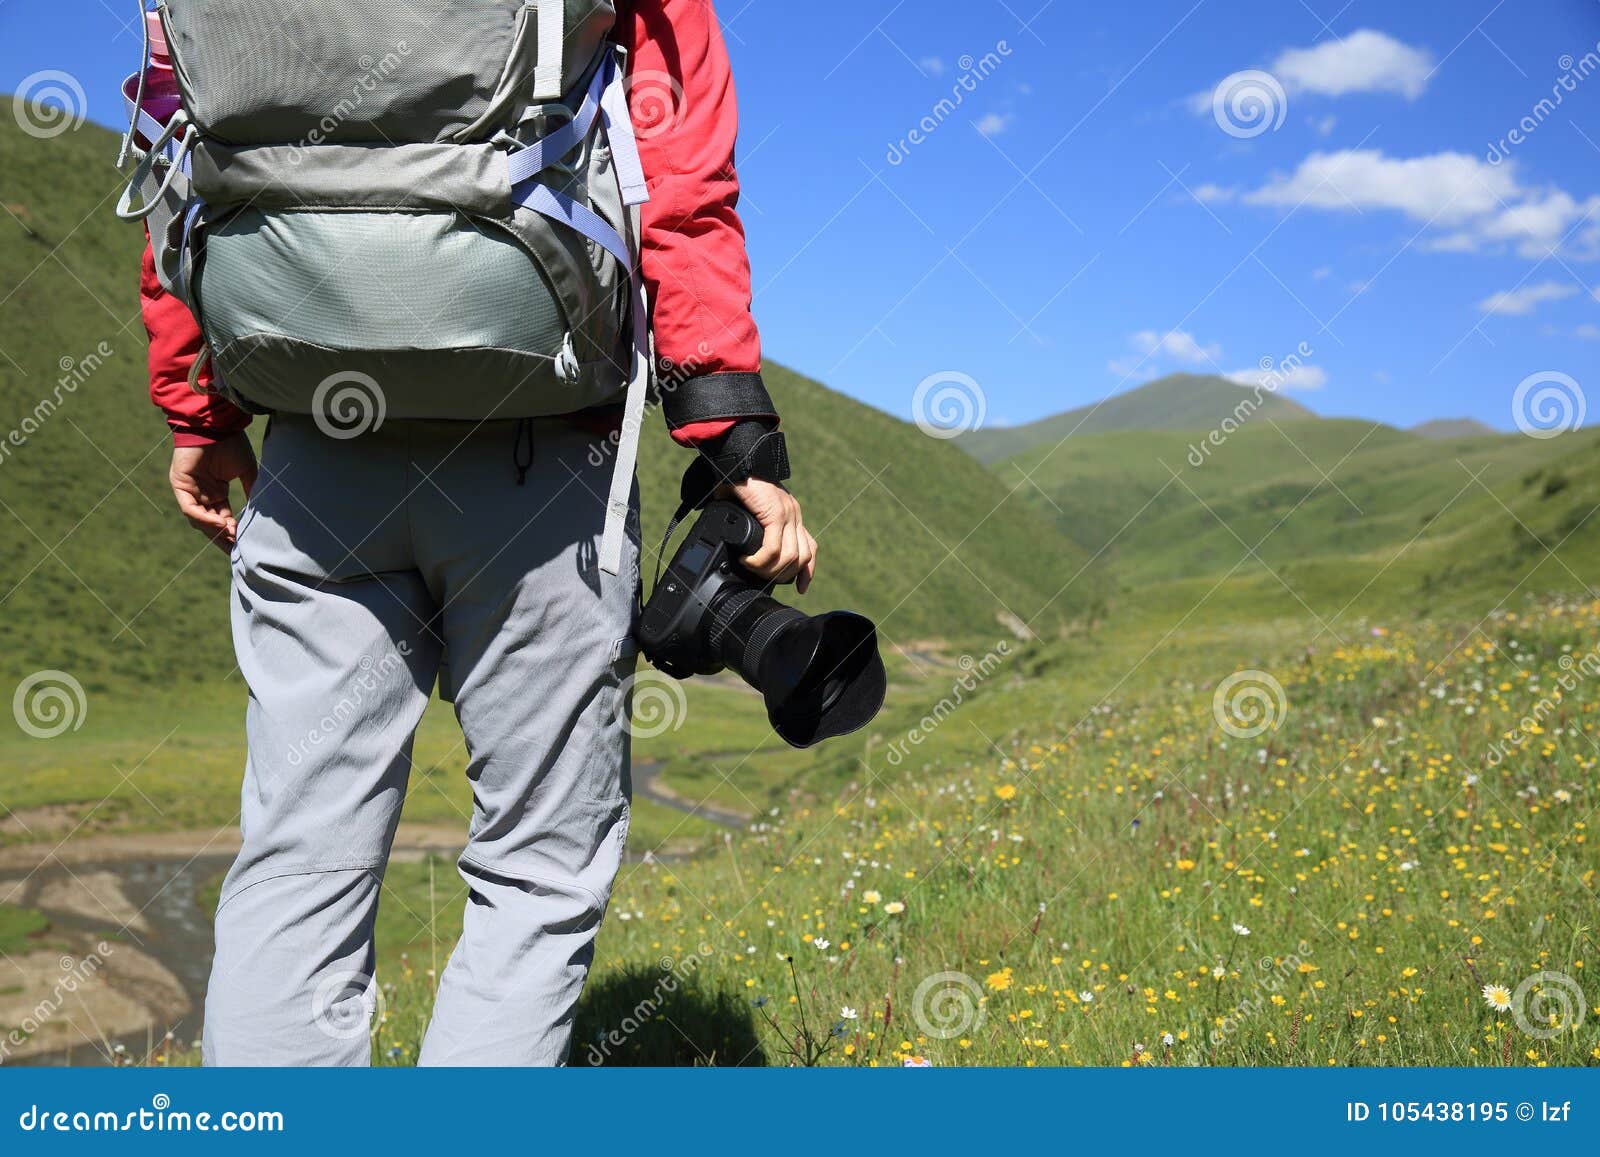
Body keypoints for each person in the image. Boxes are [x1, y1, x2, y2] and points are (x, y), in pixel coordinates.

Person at [136, 0, 816, 1065]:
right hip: (541, 454)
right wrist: (731, 428)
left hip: (315, 442)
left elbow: (181, 150)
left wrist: (196, 403)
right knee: (537, 863)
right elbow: (680, 172)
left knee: (297, 852)